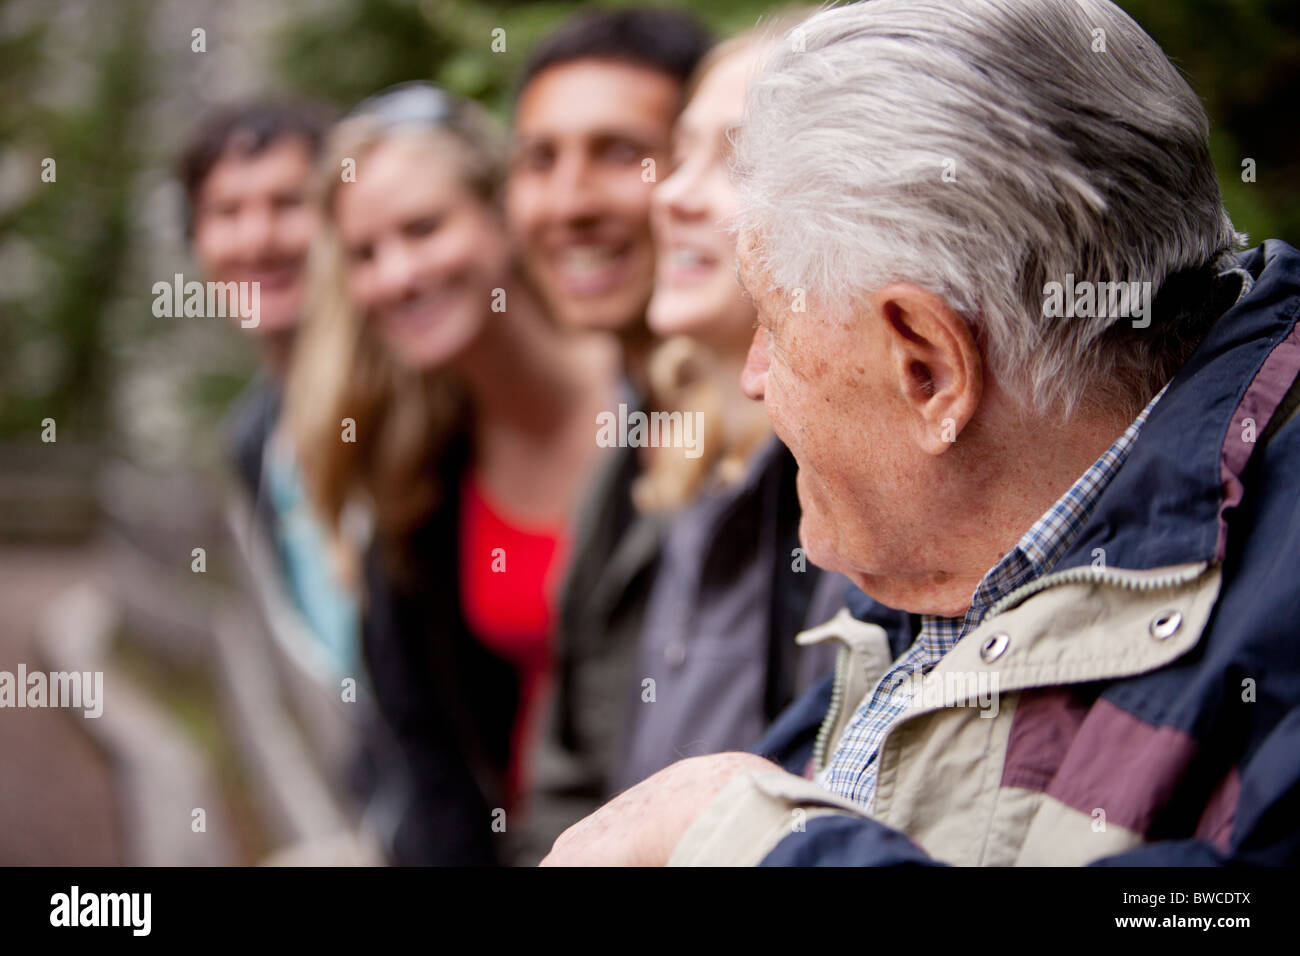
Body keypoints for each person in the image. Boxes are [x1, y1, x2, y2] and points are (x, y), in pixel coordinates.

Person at [542, 0, 1300, 866]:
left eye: (773, 327)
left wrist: (746, 844)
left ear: (930, 369)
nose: (755, 377)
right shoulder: (939, 562)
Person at [287, 83, 618, 865]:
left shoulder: (660, 405)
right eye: (365, 254)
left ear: (502, 214)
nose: (397, 275)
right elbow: (431, 767)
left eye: (424, 229)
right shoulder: (416, 483)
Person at [609, 19, 849, 794]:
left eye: (737, 160)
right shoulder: (688, 457)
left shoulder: (851, 503)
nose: (672, 194)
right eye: (681, 154)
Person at [505, 8, 713, 860]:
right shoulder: (621, 454)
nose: (569, 204)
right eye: (539, 160)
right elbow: (568, 782)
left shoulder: (801, 454)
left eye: (621, 153)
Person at [178, 100, 360, 678]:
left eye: (289, 204)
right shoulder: (252, 438)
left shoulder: (414, 405)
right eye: (227, 212)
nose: (258, 240)